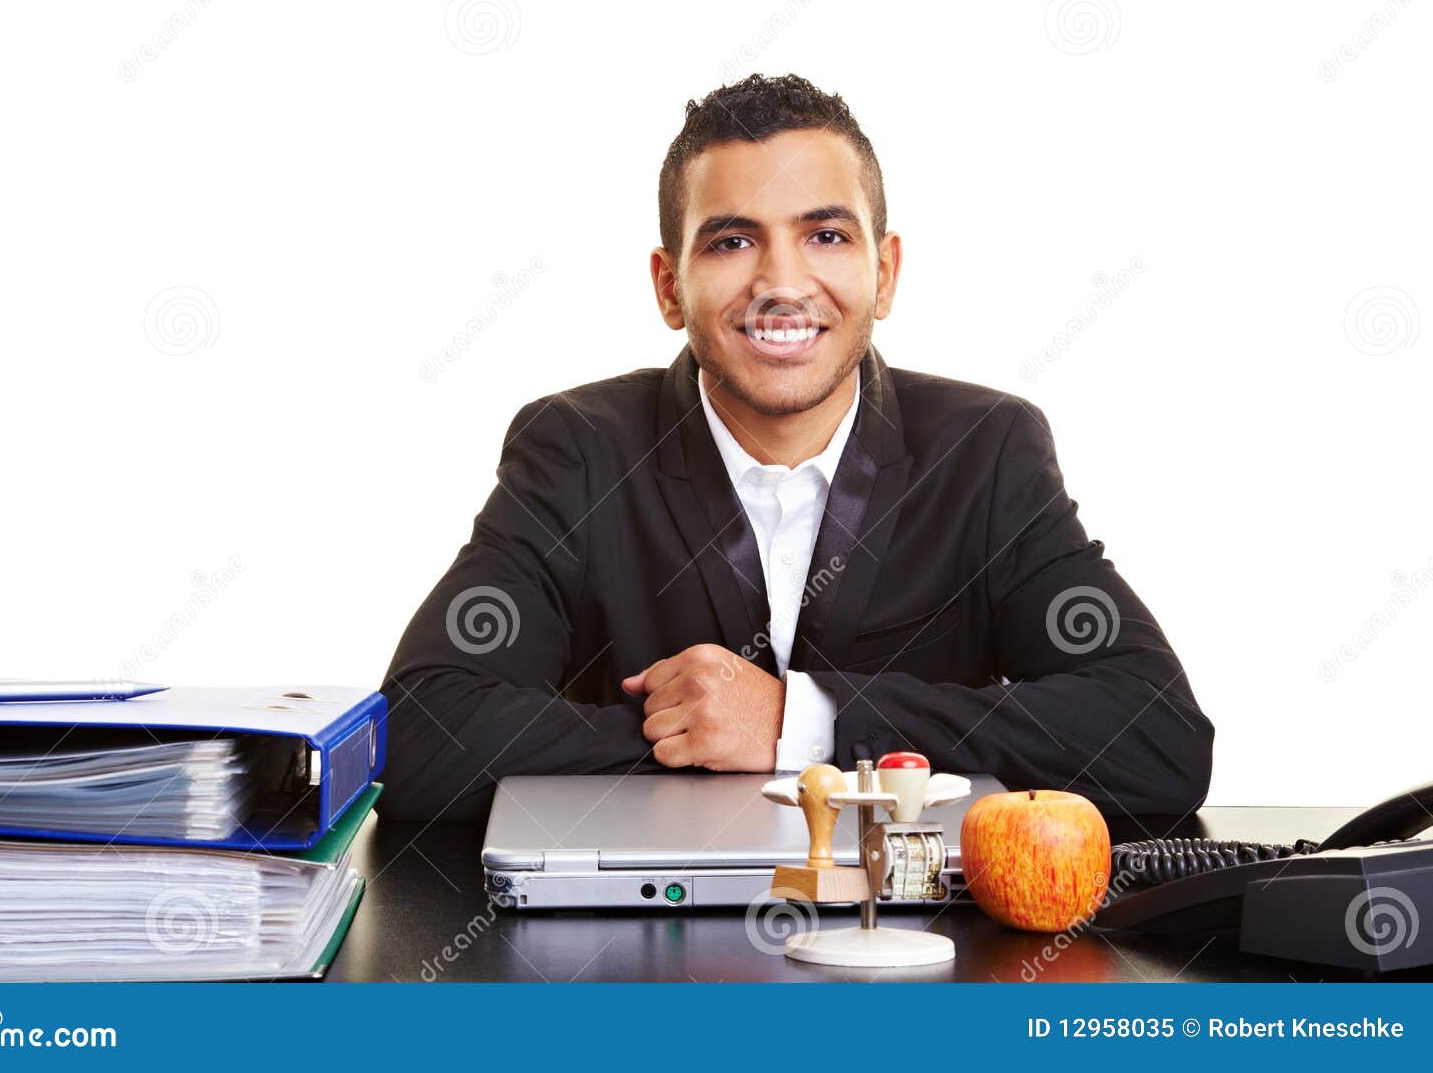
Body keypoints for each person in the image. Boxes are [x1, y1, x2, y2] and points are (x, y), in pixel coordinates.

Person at [380, 73, 1213, 822]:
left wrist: (797, 723)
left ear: (884, 273)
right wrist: (699, 731)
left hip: (919, 953)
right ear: (671, 287)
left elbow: (1155, 735)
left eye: (825, 236)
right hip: (643, 962)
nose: (781, 282)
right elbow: (420, 734)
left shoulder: (986, 451)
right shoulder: (578, 449)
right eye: (733, 241)